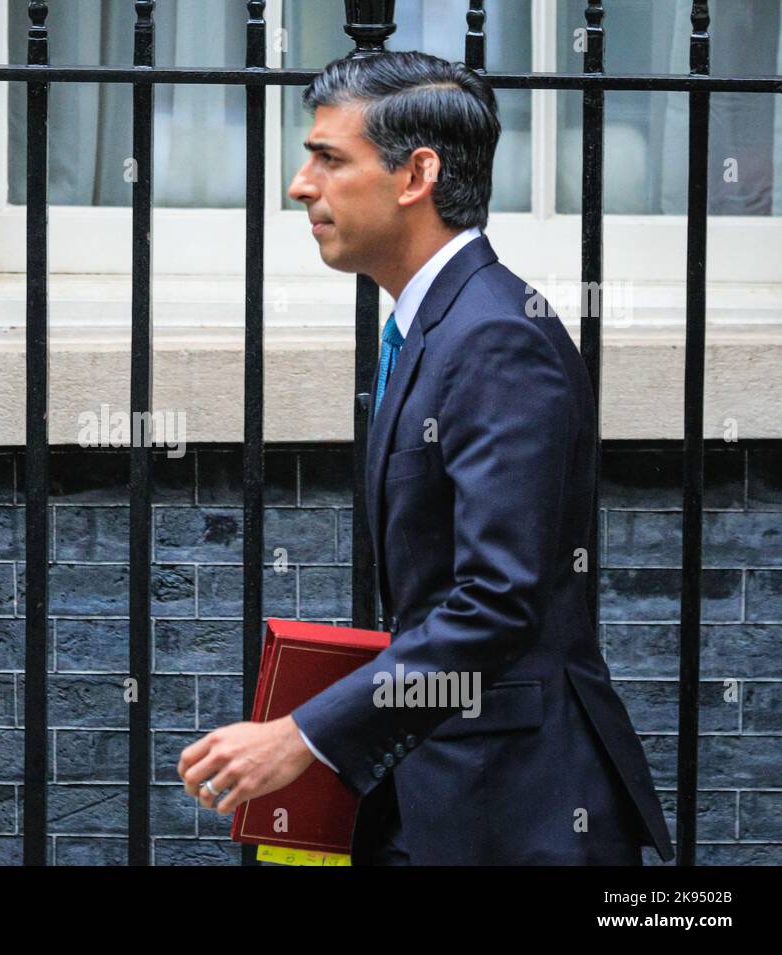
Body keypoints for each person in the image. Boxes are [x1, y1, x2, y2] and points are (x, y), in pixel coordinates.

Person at [176, 50, 674, 866]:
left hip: (514, 809)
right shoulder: (435, 325)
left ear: (417, 175)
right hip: (441, 785)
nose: (303, 184)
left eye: (330, 158)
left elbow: (496, 602)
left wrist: (305, 734)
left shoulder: (494, 338)